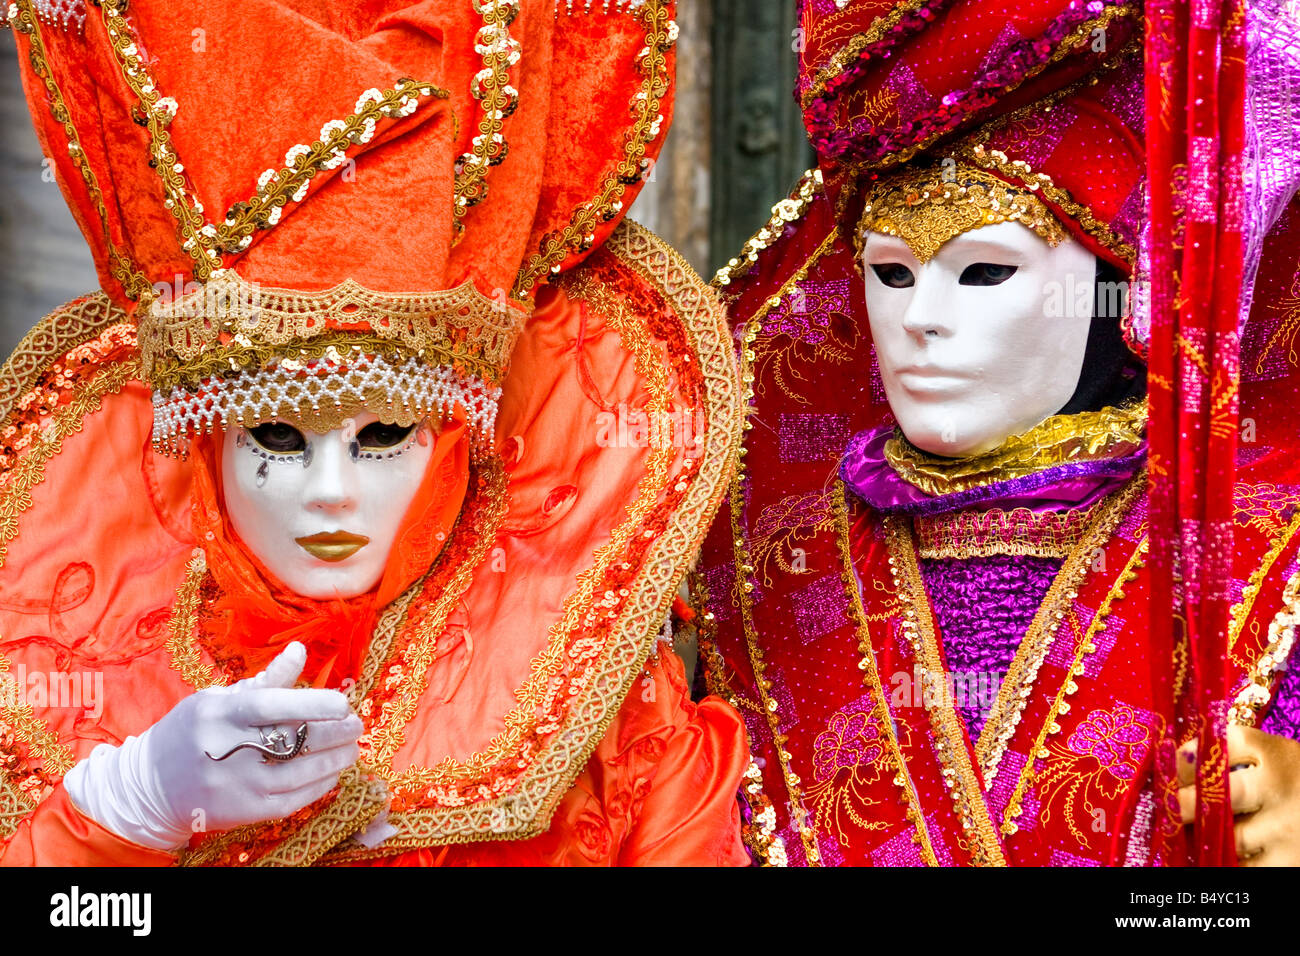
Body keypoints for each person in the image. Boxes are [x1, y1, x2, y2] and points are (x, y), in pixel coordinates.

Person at [0, 0, 749, 866]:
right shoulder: (67, 662)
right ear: (201, 442)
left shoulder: (603, 698)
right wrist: (124, 813)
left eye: (383, 433)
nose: (331, 491)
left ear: (456, 433)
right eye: (277, 436)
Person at [694, 0, 1300, 866]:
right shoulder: (755, 561)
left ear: (1114, 288)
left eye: (984, 270)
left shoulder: (1257, 558)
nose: (922, 321)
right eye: (891, 274)